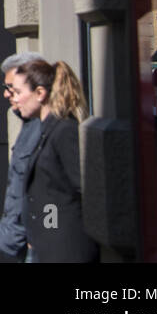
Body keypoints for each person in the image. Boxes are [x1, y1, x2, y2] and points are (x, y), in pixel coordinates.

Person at [13, 59, 98, 263]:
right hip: (48, 246)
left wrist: (50, 228)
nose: (14, 99)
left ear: (40, 93)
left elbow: (82, 188)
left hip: (64, 250)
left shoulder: (64, 131)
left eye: (18, 92)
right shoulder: (45, 131)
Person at [0, 51, 46, 261]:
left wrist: (43, 233)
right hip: (20, 244)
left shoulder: (52, 129)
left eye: (12, 88)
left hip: (34, 248)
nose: (8, 95)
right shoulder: (29, 124)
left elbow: (54, 195)